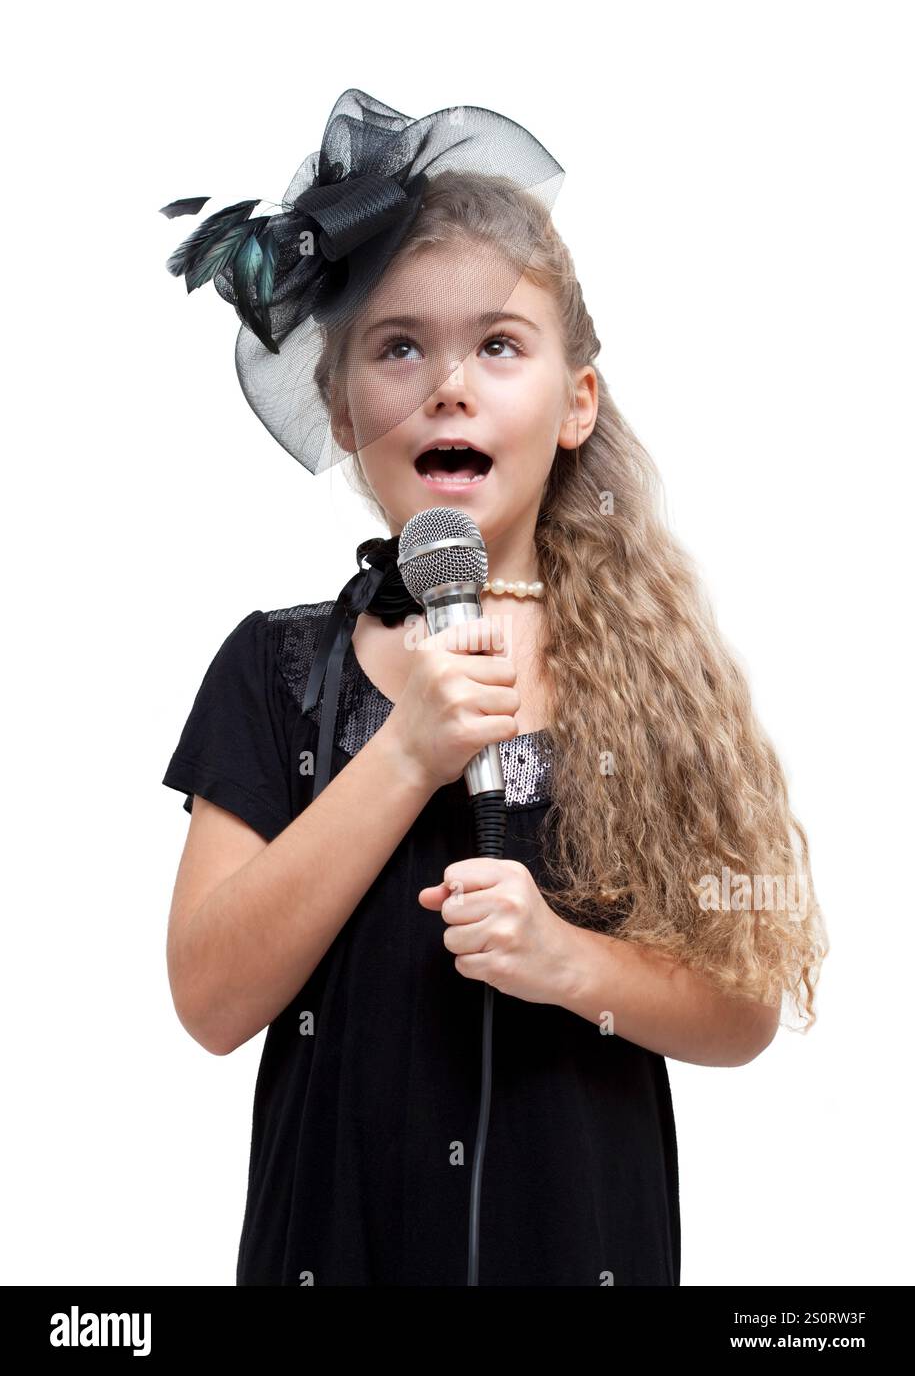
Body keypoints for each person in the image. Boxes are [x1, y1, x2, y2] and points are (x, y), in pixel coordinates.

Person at [160, 90, 828, 1287]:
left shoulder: (658, 679)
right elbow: (210, 999)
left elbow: (743, 1011)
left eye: (499, 345)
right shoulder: (273, 667)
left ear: (576, 404)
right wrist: (405, 754)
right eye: (399, 345)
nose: (448, 386)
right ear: (343, 406)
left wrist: (574, 964)